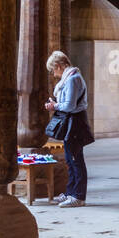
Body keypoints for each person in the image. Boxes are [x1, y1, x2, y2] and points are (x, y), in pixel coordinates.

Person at [44, 51, 94, 207]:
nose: (54, 74)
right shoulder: (70, 78)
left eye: (53, 70)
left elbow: (69, 106)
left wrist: (54, 105)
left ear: (59, 66)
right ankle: (70, 193)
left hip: (75, 123)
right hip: (71, 122)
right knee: (70, 160)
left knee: (76, 160)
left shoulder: (73, 79)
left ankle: (78, 197)